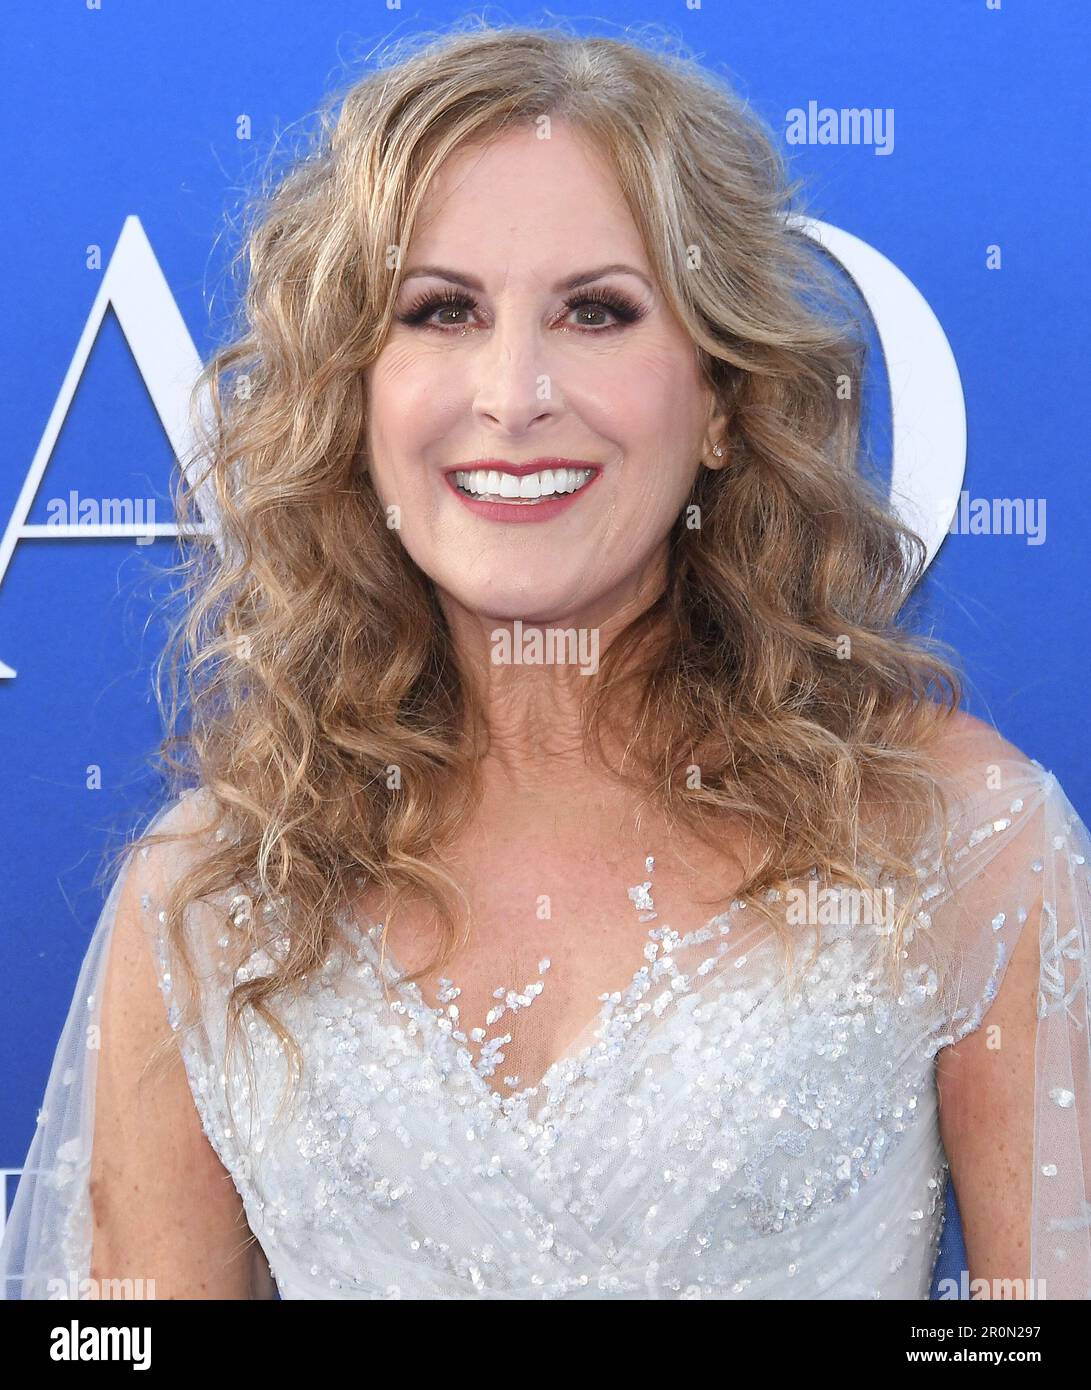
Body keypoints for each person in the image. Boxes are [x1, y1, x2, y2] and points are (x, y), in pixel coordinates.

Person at [2, 23, 1088, 1301]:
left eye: (596, 311)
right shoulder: (215, 893)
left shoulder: (953, 837)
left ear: (724, 398)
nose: (513, 393)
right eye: (441, 310)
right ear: (355, 398)